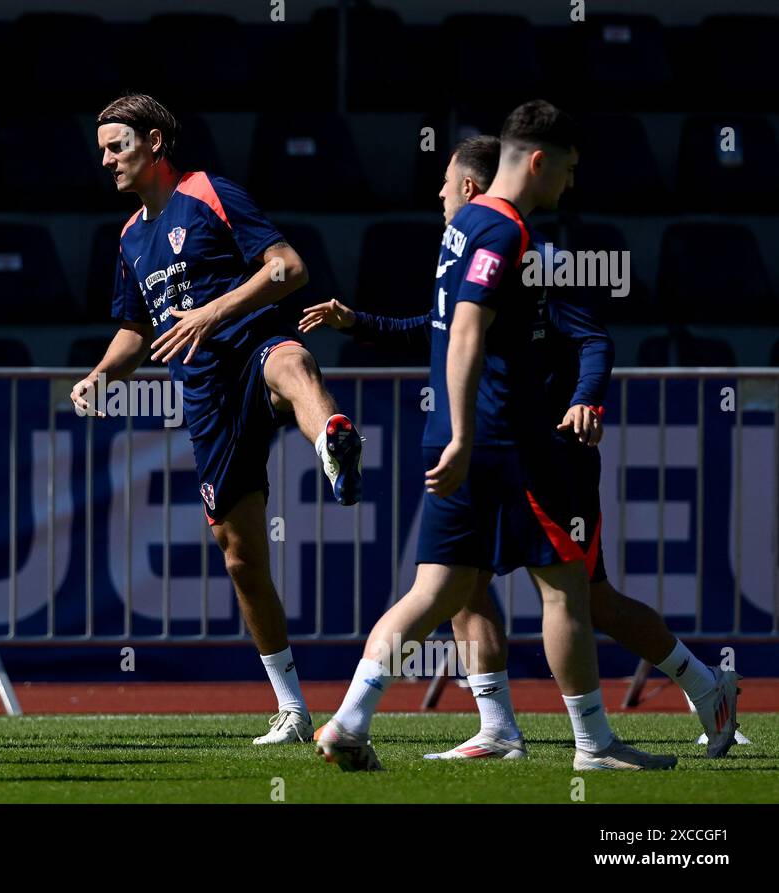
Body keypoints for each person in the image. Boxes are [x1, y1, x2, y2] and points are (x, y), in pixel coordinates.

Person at [301, 134, 742, 760]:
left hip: (543, 448)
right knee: (466, 589)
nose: (438, 193)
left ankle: (696, 689)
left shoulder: (524, 252)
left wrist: (585, 399)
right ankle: (503, 727)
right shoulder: (464, 249)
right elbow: (442, 333)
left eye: (447, 182)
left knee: (580, 596)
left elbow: (592, 338)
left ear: (474, 187)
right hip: (484, 441)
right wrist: (361, 323)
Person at [73, 94, 364, 744]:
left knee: (294, 364)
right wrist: (100, 374)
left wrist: (212, 313)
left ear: (154, 141)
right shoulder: (128, 237)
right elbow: (135, 329)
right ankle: (292, 707)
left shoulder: (208, 192)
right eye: (101, 149)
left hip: (254, 352)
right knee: (241, 561)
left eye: (116, 145)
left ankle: (333, 441)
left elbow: (288, 268)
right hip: (205, 401)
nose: (106, 159)